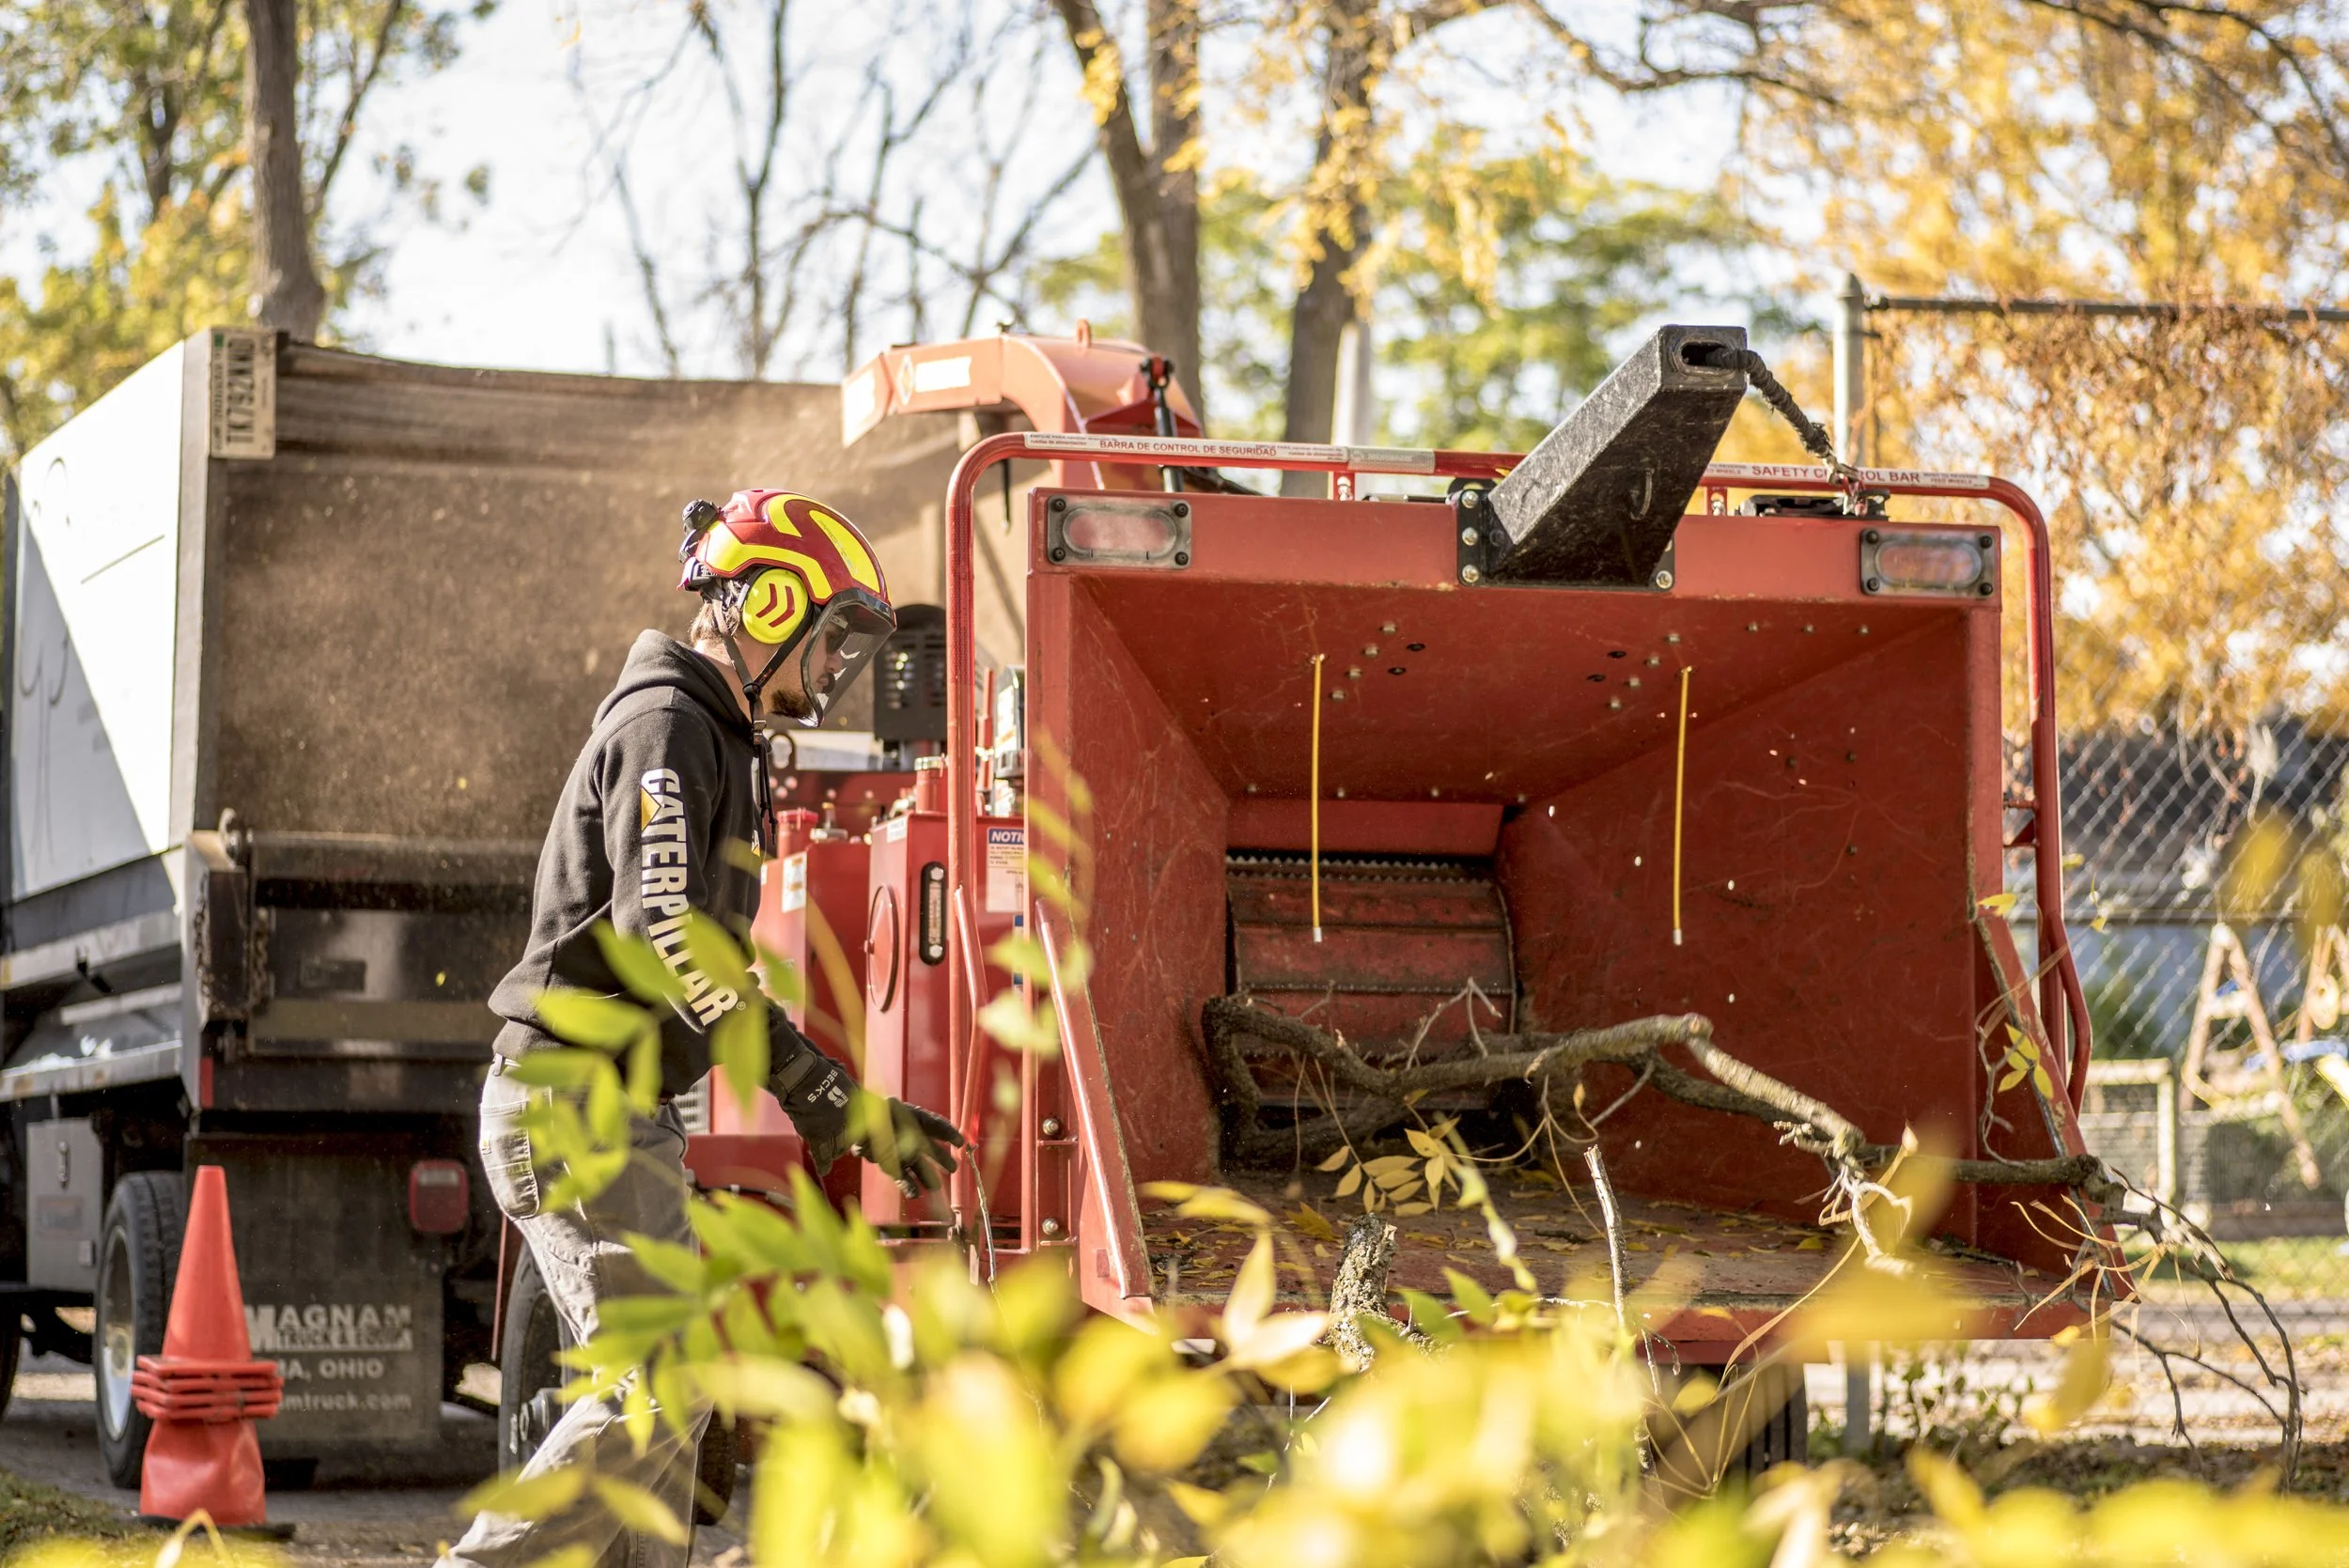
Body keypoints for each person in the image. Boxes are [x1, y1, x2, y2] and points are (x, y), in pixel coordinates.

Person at [442, 490, 965, 1568]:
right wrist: (819, 1090)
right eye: (826, 643)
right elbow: (668, 937)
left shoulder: (712, 734)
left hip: (617, 1109)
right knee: (662, 1384)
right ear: (766, 605)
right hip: (573, 1104)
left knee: (665, 1424)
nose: (832, 674)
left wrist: (832, 1097)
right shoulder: (666, 726)